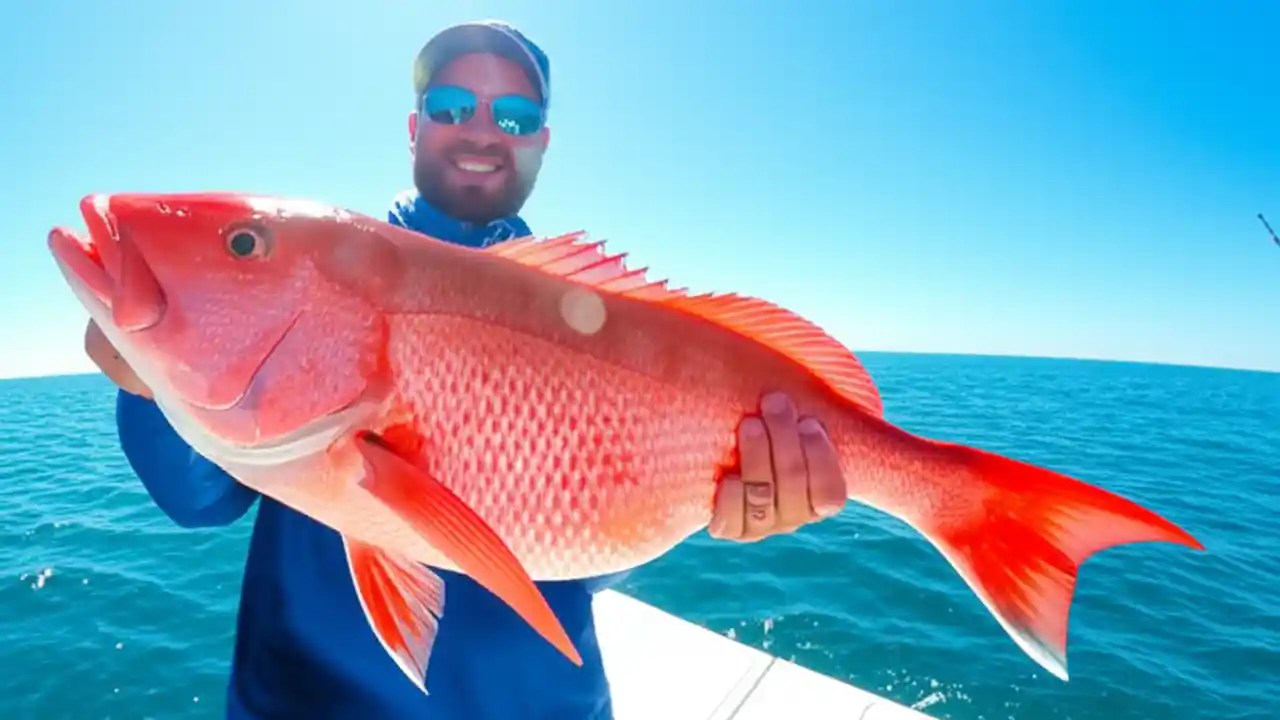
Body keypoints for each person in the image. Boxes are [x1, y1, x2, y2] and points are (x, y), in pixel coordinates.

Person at [83, 20, 849, 720]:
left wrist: (721, 500)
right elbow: (195, 499)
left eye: (513, 117)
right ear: (415, 128)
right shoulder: (328, 280)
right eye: (452, 105)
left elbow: (584, 561)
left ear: (542, 142)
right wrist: (153, 377)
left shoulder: (594, 314)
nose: (481, 130)